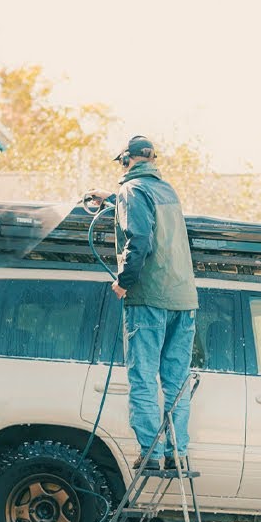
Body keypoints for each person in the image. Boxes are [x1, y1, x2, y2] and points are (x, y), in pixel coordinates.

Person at [86, 136, 198, 471]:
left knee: (144, 376)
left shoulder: (131, 192)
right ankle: (176, 454)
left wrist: (124, 281)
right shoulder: (167, 191)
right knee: (176, 381)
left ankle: (150, 452)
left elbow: (140, 238)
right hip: (184, 299)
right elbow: (153, 223)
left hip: (149, 298)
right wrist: (111, 200)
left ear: (126, 161)